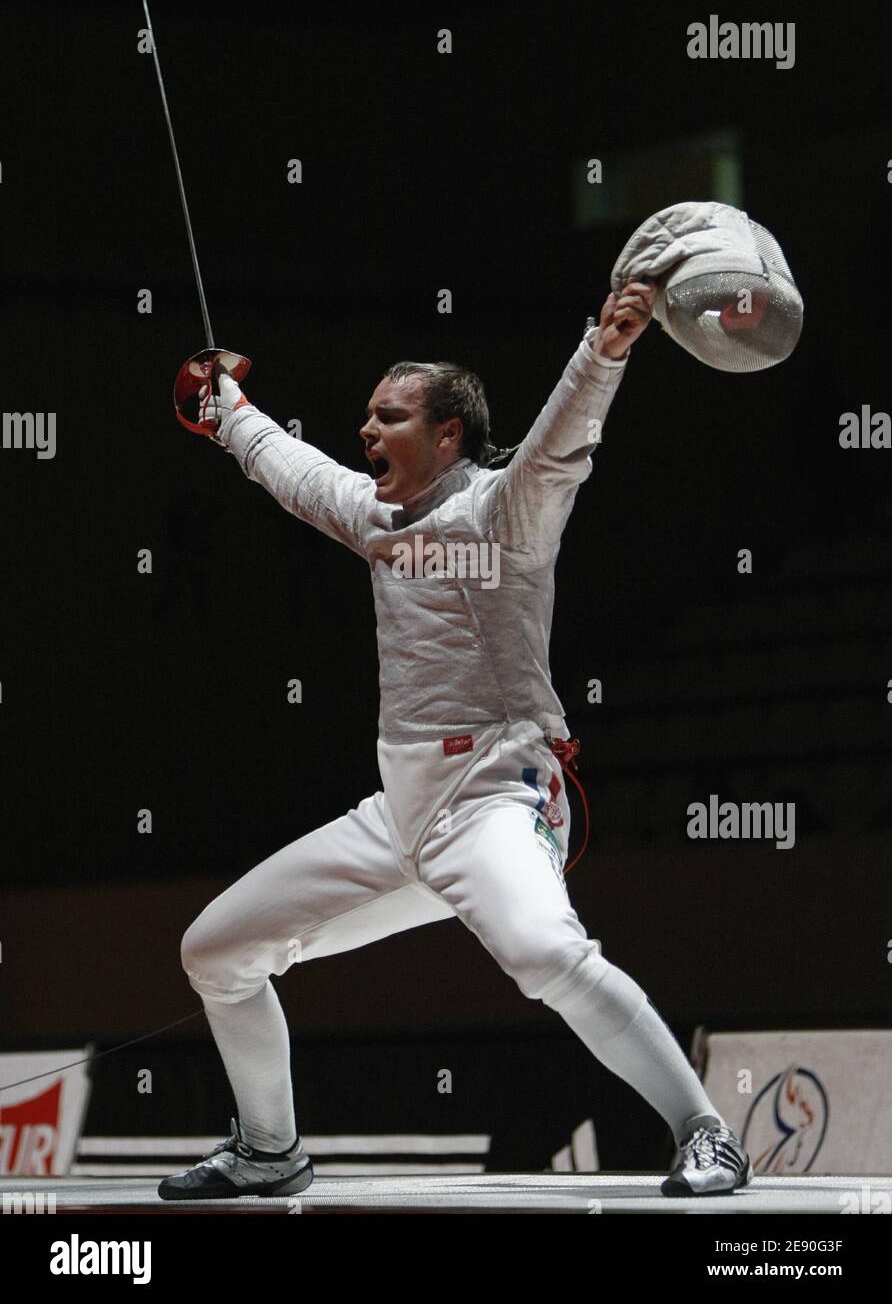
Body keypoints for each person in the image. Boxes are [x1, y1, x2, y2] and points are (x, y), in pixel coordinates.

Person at [158, 281, 753, 1201]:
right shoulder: (376, 519)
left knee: (546, 954)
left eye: (388, 417)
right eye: (366, 414)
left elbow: (559, 446)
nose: (366, 430)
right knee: (216, 952)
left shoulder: (504, 516)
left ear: (447, 439)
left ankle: (706, 1132)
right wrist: (224, 407)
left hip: (495, 797)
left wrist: (604, 349)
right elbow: (288, 466)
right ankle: (271, 1149)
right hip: (399, 816)